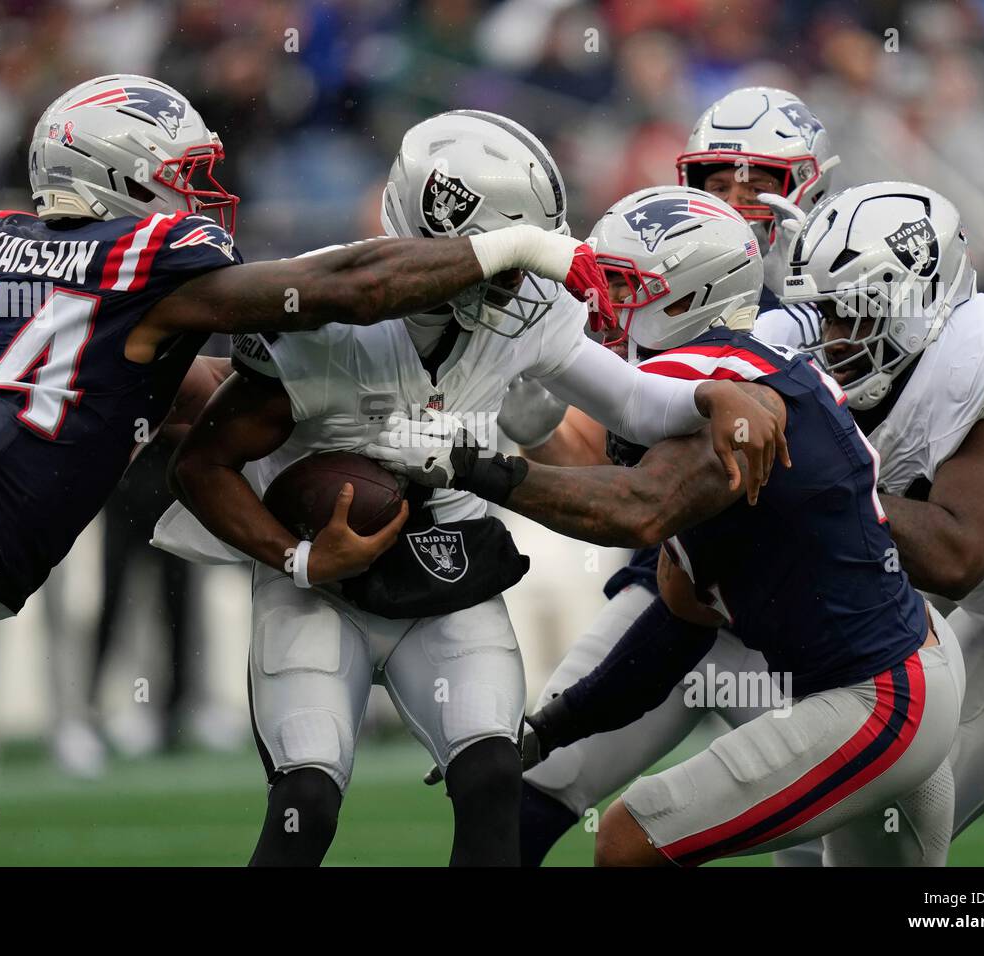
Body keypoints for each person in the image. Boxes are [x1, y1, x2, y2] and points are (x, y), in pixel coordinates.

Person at [0, 77, 620, 867]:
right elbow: (351, 289)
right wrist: (515, 243)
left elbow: (192, 392)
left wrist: (347, 410)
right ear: (119, 178)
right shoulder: (142, 259)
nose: (203, 199)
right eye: (183, 179)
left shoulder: (20, 247)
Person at [163, 112, 789, 867]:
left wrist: (709, 397)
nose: (527, 283)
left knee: (494, 775)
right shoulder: (324, 310)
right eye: (507, 255)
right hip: (316, 586)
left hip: (448, 567)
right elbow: (201, 465)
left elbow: (629, 400)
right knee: (308, 801)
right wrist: (298, 560)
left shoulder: (528, 309)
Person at [366, 224, 965, 864]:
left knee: (628, 839)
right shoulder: (706, 385)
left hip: (881, 695)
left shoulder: (725, 386)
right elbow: (677, 630)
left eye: (621, 285)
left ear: (686, 297)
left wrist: (470, 465)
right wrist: (548, 732)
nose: (599, 304)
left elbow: (639, 509)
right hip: (887, 676)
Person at [783, 181, 984, 841]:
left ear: (921, 301)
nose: (835, 338)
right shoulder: (874, 372)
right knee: (876, 814)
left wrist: (814, 483)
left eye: (855, 312)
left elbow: (955, 555)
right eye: (826, 314)